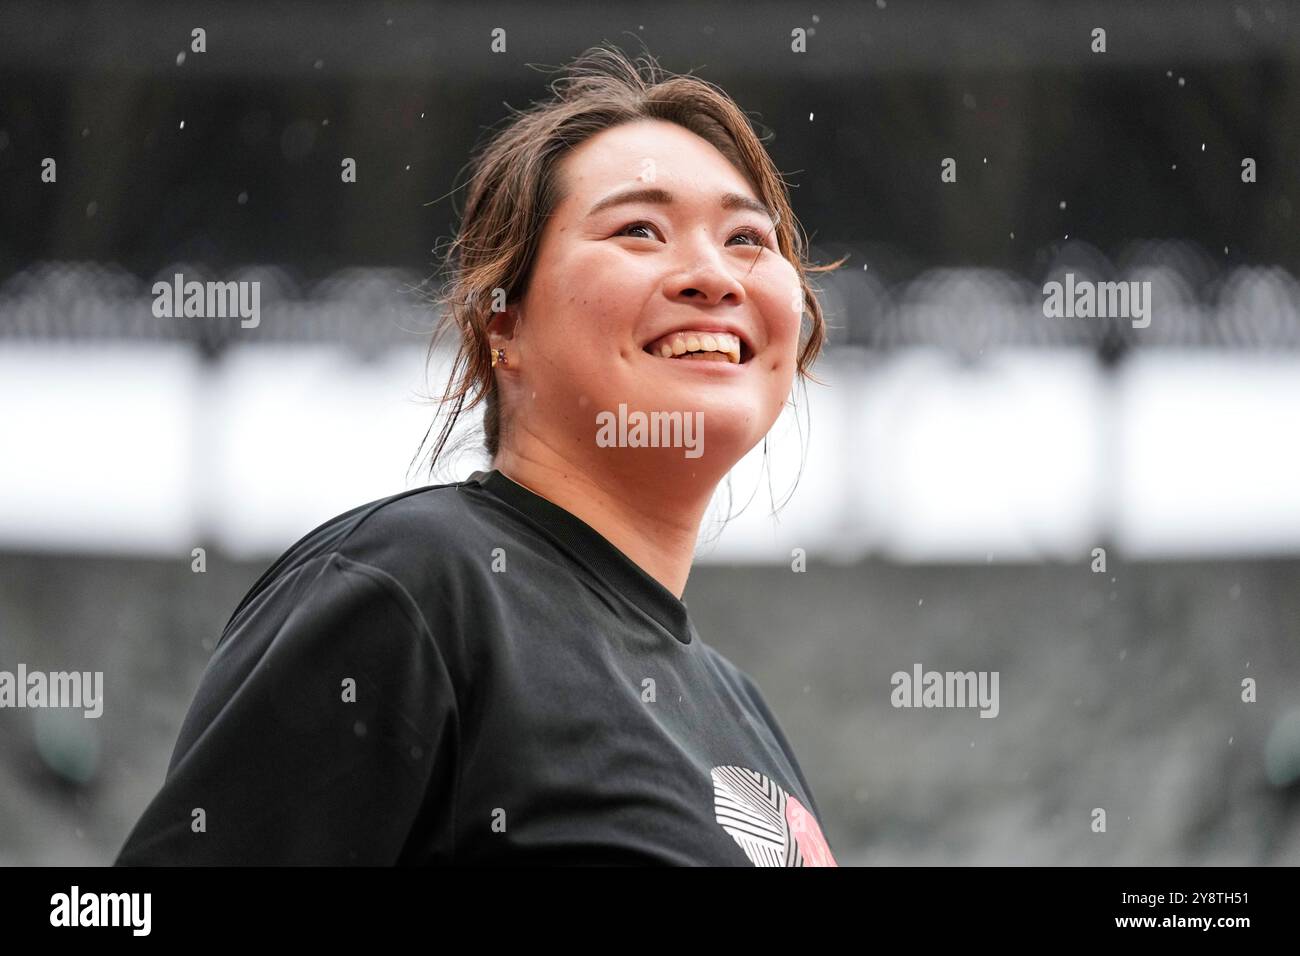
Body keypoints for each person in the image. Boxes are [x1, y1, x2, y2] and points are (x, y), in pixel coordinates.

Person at [115, 43, 843, 867]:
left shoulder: (741, 714)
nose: (714, 275)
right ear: (504, 325)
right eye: (639, 228)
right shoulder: (418, 583)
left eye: (749, 236)